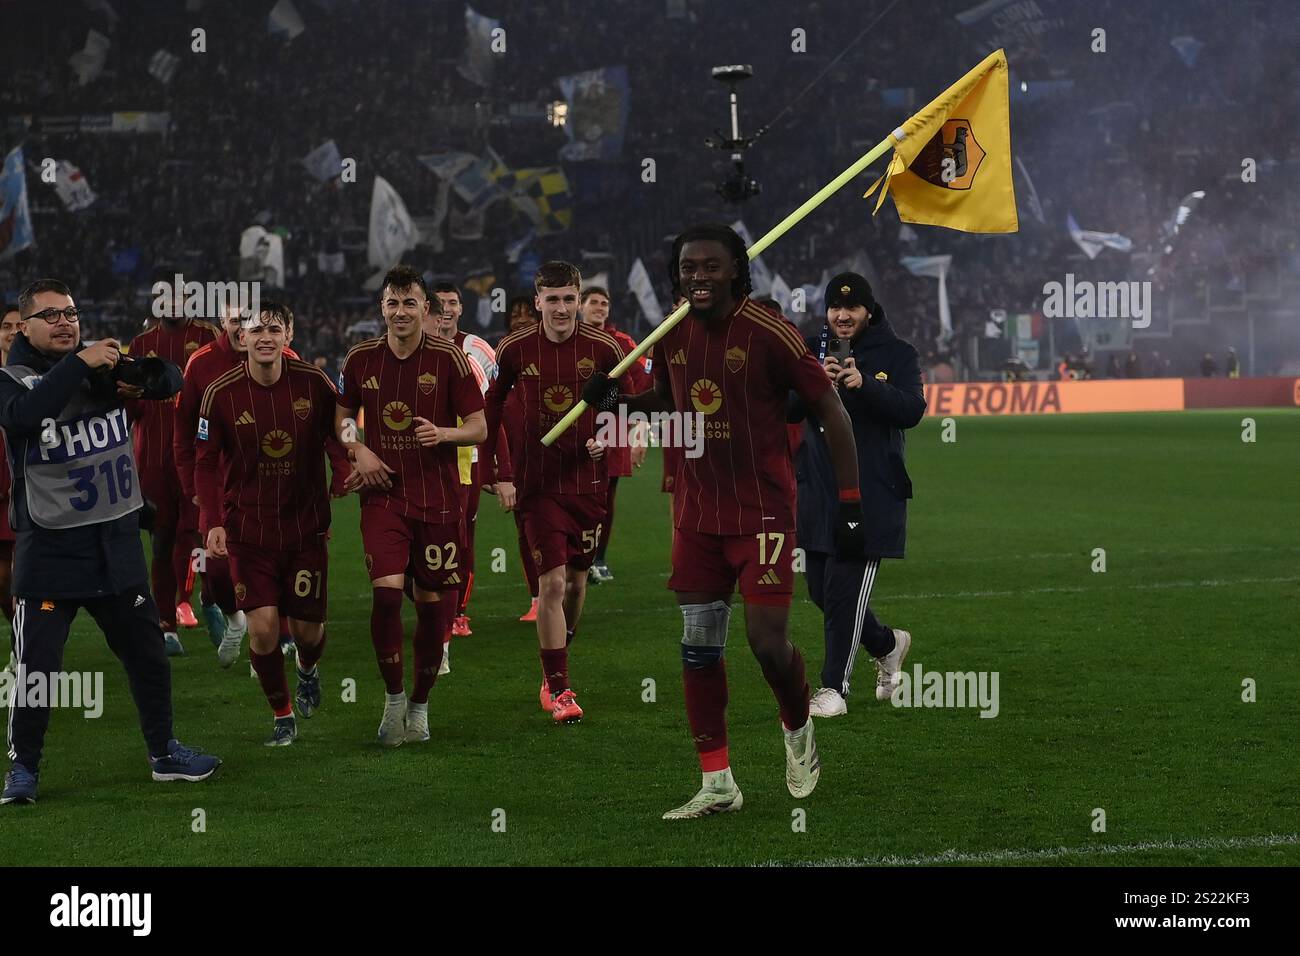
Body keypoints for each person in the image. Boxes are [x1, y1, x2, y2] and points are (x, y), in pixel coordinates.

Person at [583, 224, 865, 818]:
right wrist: (615, 402)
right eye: (688, 268)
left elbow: (829, 408)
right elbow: (668, 398)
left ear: (737, 269)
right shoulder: (670, 331)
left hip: (762, 512)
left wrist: (849, 499)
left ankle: (796, 728)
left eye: (710, 267)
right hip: (695, 515)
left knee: (766, 644)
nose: (697, 278)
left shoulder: (771, 333)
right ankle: (718, 784)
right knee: (698, 648)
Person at [0, 279, 220, 804]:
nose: (64, 322)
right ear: (24, 326)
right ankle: (23, 770)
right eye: (50, 315)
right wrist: (82, 364)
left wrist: (141, 380)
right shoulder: (12, 378)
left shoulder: (101, 367)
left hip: (115, 546)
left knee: (148, 657)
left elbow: (170, 380)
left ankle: (164, 753)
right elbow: (24, 416)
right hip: (51, 551)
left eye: (71, 312)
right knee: (37, 671)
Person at [336, 266, 486, 747]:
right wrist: (357, 449)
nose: (400, 312)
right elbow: (341, 420)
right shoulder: (360, 359)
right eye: (392, 303)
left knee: (430, 611)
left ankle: (420, 704)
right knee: (384, 597)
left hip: (439, 501)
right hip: (382, 496)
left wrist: (444, 433)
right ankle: (394, 697)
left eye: (409, 303)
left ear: (427, 309)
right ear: (382, 308)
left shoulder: (450, 360)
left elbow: (479, 426)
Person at [196, 303, 345, 745]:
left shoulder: (314, 383)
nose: (263, 337)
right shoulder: (219, 393)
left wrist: (345, 463)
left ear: (289, 334)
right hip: (249, 530)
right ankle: (281, 714)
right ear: (242, 336)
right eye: (255, 329)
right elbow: (205, 463)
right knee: (262, 628)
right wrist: (212, 522)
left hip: (305, 527)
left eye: (273, 328)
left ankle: (307, 667)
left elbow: (340, 430)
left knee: (308, 631)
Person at [483, 261, 623, 724]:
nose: (561, 308)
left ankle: (553, 666)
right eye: (552, 299)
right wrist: (498, 469)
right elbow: (493, 404)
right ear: (537, 301)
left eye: (569, 299)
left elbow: (612, 403)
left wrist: (605, 434)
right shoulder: (516, 348)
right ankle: (561, 690)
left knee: (578, 587)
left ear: (578, 300)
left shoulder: (603, 349)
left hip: (586, 483)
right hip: (537, 485)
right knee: (553, 583)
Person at [795, 273, 922, 718]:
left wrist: (865, 384)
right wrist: (815, 386)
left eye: (852, 308)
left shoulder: (898, 353)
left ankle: (835, 688)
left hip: (871, 495)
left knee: (845, 590)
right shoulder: (811, 349)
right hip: (817, 491)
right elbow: (786, 406)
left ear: (869, 310)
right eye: (835, 308)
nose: (842, 316)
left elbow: (912, 410)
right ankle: (888, 645)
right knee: (819, 590)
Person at [125, 280, 220, 655]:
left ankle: (207, 599)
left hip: (200, 457)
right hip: (153, 460)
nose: (175, 304)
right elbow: (130, 408)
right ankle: (166, 624)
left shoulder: (208, 337)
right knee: (161, 540)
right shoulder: (140, 346)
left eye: (182, 297)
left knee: (198, 536)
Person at [428, 281, 498, 652]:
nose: (446, 309)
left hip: (465, 461)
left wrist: (496, 468)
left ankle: (458, 612)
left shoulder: (477, 351)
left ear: (461, 309)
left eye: (452, 302)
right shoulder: (410, 348)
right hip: (420, 462)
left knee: (461, 538)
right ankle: (433, 609)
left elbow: (492, 410)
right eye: (439, 303)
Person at [578, 286, 652, 583]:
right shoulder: (570, 339)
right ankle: (578, 554)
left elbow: (640, 388)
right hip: (577, 430)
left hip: (613, 431)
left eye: (604, 303)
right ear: (582, 306)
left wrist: (640, 433)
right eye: (593, 302)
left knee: (606, 497)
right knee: (576, 494)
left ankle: (599, 558)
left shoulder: (622, 342)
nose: (599, 307)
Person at [0, 304, 23, 674]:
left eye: (21, 325)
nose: (13, 331)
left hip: (28, 496)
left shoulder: (43, 378)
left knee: (24, 586)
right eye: (6, 326)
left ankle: (28, 657)